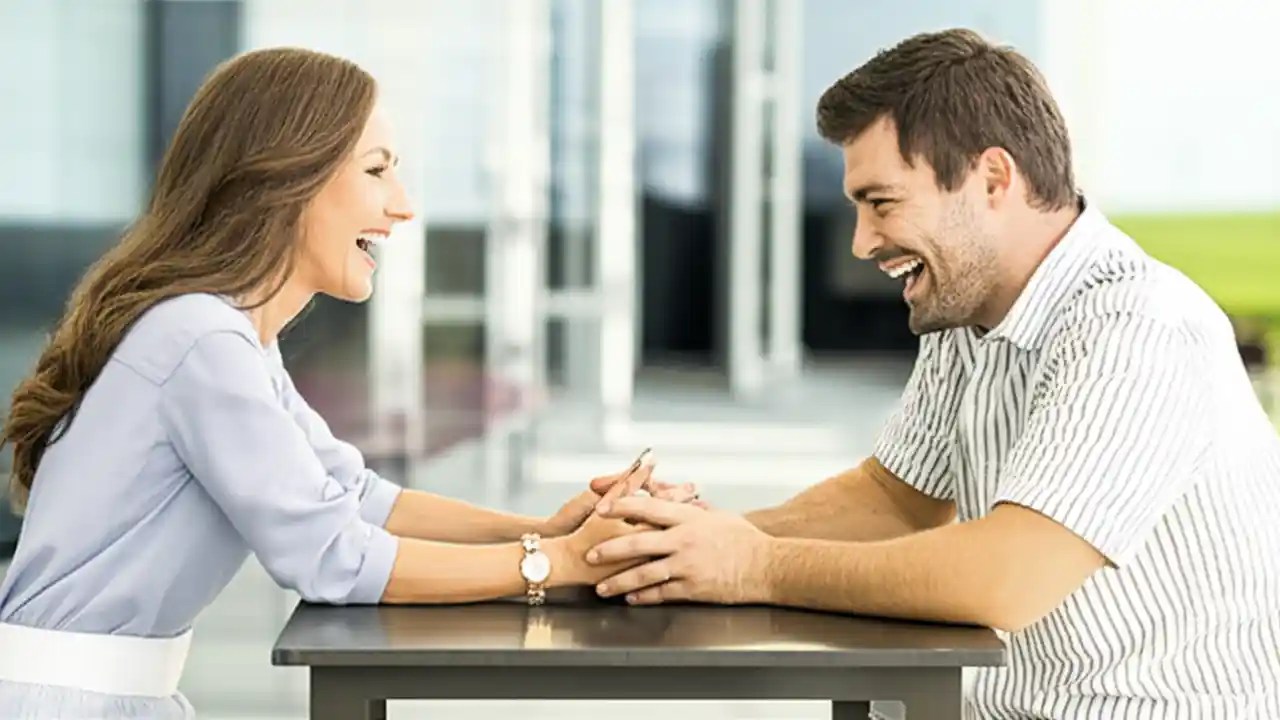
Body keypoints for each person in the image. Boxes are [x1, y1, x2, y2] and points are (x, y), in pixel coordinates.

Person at [584, 28, 1280, 719]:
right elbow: (896, 498)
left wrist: (751, 565)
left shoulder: (1136, 328)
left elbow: (1006, 578)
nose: (861, 242)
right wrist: (700, 541)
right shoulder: (970, 310)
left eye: (881, 203)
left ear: (992, 180)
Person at [0, 47, 687, 719]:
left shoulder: (229, 337)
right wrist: (553, 563)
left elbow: (354, 498)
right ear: (287, 181)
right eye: (377, 171)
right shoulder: (201, 340)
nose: (404, 206)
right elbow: (331, 559)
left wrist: (544, 530)